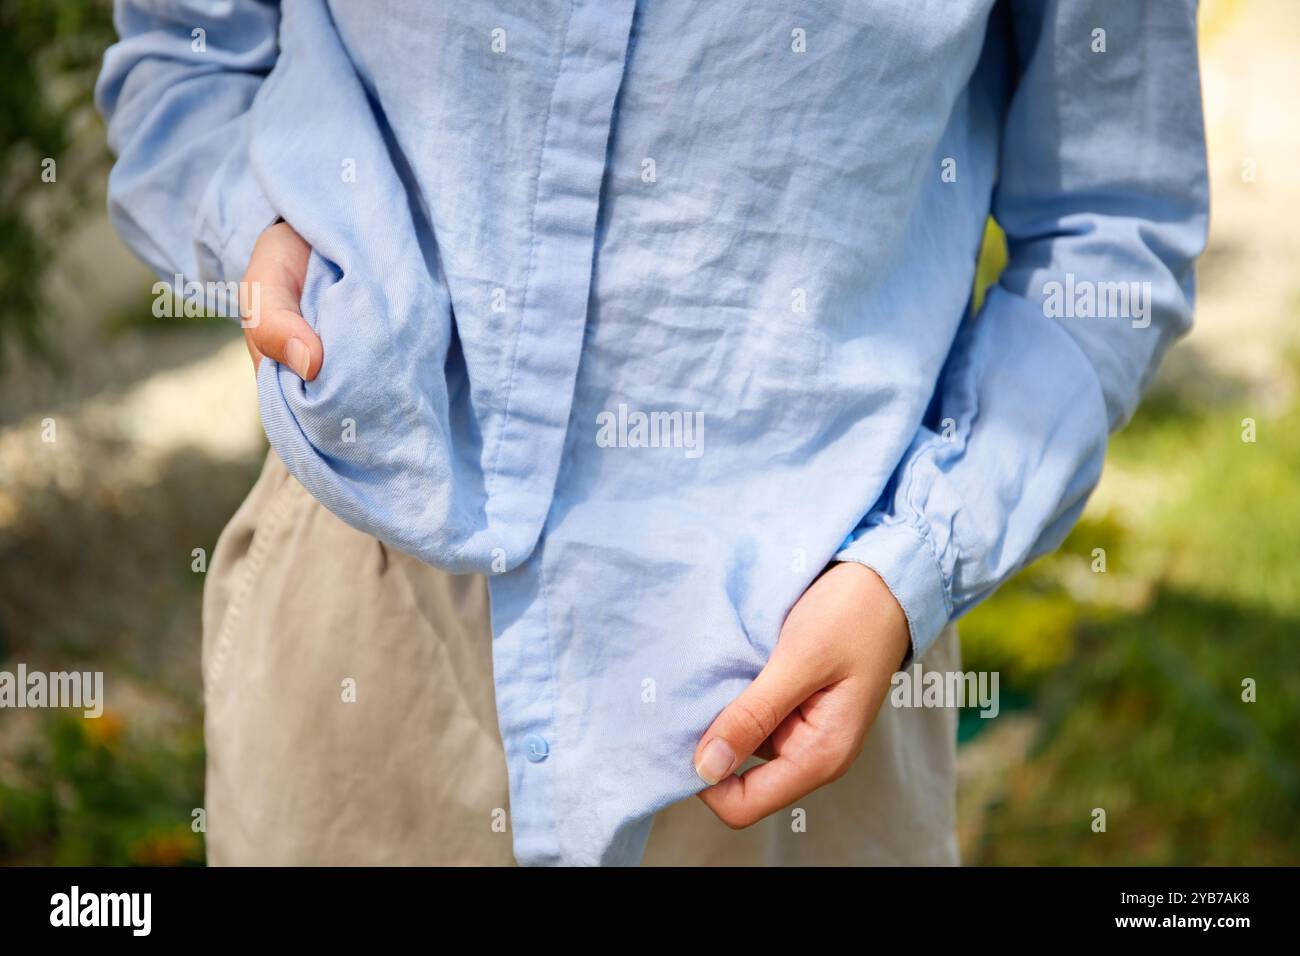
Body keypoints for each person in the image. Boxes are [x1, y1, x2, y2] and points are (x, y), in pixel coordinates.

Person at [96, 0, 1208, 865]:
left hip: (802, 697)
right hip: (364, 641)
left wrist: (911, 561)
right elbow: (186, 53)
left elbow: (1112, 224)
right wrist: (250, 223)